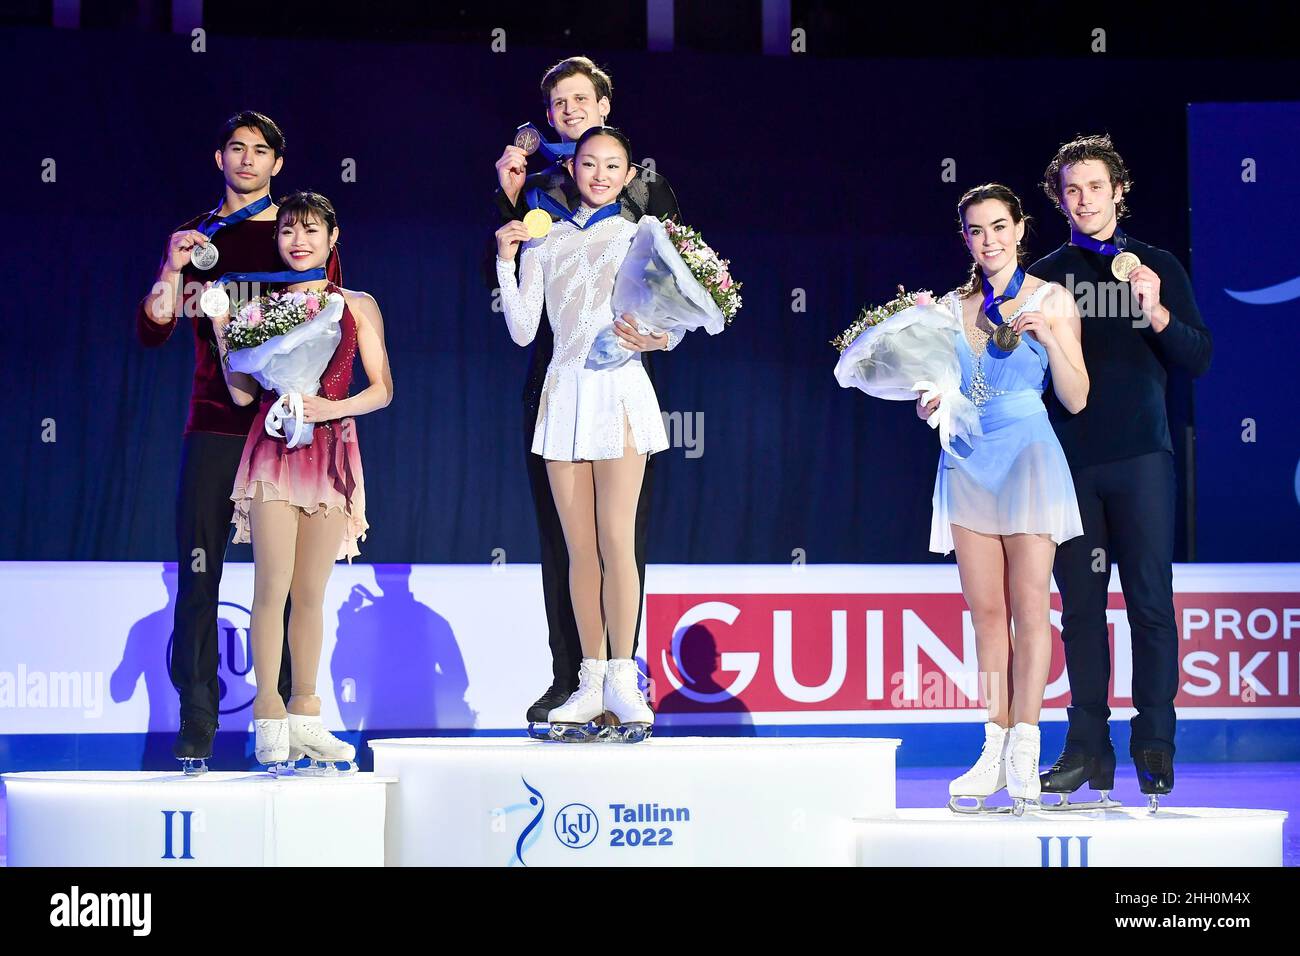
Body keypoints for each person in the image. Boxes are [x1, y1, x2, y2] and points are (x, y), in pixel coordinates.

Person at [136, 111, 341, 772]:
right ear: (218, 157)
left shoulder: (298, 232)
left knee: (283, 586)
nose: (248, 160)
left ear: (278, 163)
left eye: (261, 151)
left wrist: (318, 410)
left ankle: (280, 716)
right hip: (216, 426)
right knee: (201, 576)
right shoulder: (199, 240)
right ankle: (197, 719)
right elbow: (155, 328)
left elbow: (334, 325)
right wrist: (171, 267)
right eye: (236, 149)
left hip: (285, 434)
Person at [493, 56, 680, 734]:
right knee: (576, 551)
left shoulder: (641, 234)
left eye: (612, 165)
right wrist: (507, 258)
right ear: (570, 169)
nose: (598, 173)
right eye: (588, 164)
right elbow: (521, 331)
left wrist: (658, 342)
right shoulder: (546, 237)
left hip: (620, 391)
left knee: (615, 543)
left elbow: (675, 315)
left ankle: (626, 680)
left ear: (630, 175)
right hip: (562, 392)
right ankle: (588, 680)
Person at [1029, 135, 1212, 811]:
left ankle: (1155, 742)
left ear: (1118, 191)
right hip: (1071, 462)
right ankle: (1087, 749)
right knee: (1079, 609)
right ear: (1060, 198)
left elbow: (1198, 355)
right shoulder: (1044, 276)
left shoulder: (1156, 263)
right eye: (1071, 190)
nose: (1084, 200)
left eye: (1095, 187)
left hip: (1142, 459)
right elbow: (1021, 373)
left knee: (1150, 605)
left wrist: (1157, 309)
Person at [920, 184, 1089, 813]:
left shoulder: (1051, 299)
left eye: (998, 226)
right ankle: (992, 744)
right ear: (964, 237)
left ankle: (1026, 743)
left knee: (1029, 607)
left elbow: (1076, 396)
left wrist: (1049, 336)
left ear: (1020, 228)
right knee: (985, 613)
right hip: (966, 459)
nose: (988, 240)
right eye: (975, 230)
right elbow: (934, 386)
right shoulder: (948, 308)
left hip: (1025, 455)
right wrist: (931, 399)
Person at [211, 191, 392, 771]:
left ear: (333, 239)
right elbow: (243, 394)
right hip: (273, 451)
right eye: (289, 230)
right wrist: (223, 334)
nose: (299, 240)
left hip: (332, 451)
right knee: (272, 587)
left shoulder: (355, 304)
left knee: (312, 593)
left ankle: (307, 715)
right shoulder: (258, 311)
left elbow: (381, 389)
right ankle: (268, 715)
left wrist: (325, 410)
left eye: (311, 231)